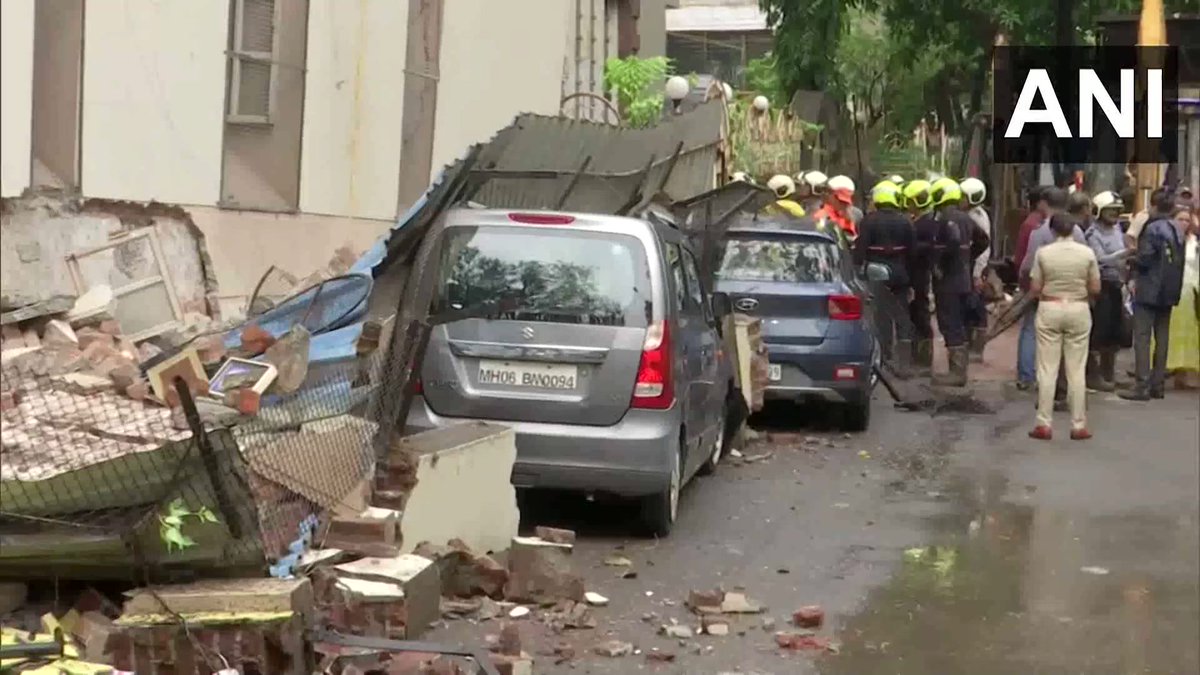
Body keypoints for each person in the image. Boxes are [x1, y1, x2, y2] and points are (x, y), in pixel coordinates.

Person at [1027, 213, 1101, 441]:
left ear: (1052, 230)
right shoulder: (1087, 253)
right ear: (1073, 229)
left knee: (1047, 369)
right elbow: (1096, 287)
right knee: (1076, 370)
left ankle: (1043, 424)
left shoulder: (1044, 253)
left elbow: (1036, 287)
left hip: (1050, 308)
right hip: (1079, 309)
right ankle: (1078, 425)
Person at [1120, 192, 1186, 401]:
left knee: (1142, 337)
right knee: (1162, 337)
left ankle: (1142, 385)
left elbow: (1146, 259)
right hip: (1170, 289)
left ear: (1154, 206)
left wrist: (1131, 260)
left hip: (1150, 288)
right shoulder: (1178, 229)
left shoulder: (1153, 229)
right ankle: (1158, 384)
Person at [856, 180, 915, 373]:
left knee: (882, 316)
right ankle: (905, 363)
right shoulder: (905, 221)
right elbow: (912, 252)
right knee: (902, 315)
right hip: (901, 274)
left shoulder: (868, 221)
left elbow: (860, 251)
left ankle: (885, 357)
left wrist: (858, 271)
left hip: (876, 275)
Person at [929, 177, 981, 386]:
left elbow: (952, 240)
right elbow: (983, 240)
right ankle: (958, 371)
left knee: (950, 324)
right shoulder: (967, 218)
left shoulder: (945, 219)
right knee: (958, 324)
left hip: (949, 283)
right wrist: (968, 256)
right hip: (963, 280)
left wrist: (940, 264)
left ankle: (957, 374)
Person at [1084, 191, 1130, 391]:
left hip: (1117, 284)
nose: (1114, 215)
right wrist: (1124, 254)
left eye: (1117, 211)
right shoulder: (1093, 234)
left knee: (1115, 330)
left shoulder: (1117, 229)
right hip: (1101, 284)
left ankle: (1109, 373)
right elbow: (1099, 259)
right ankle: (1095, 376)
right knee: (1099, 331)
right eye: (1110, 211)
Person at [1013, 187, 1056, 390]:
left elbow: (1025, 261)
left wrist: (1023, 278)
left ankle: (1026, 374)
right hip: (1048, 286)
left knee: (1031, 328)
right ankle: (1033, 374)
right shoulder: (1035, 226)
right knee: (1037, 330)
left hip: (1035, 282)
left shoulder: (1034, 226)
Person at [904, 179, 937, 375]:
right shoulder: (919, 220)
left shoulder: (926, 224)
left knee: (921, 313)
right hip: (917, 273)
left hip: (920, 274)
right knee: (916, 313)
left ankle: (924, 359)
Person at [1164, 202, 1199, 389]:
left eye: (1187, 219)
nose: (1184, 223)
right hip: (1172, 290)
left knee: (1191, 333)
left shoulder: (1195, 241)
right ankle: (1171, 370)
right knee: (1172, 332)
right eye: (1180, 219)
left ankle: (1186, 372)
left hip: (1191, 290)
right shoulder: (1167, 239)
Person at [960, 177, 992, 361]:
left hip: (975, 268)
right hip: (970, 267)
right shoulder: (969, 215)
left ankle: (976, 350)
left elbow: (984, 249)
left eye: (963, 196)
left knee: (975, 307)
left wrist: (977, 273)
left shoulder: (977, 217)